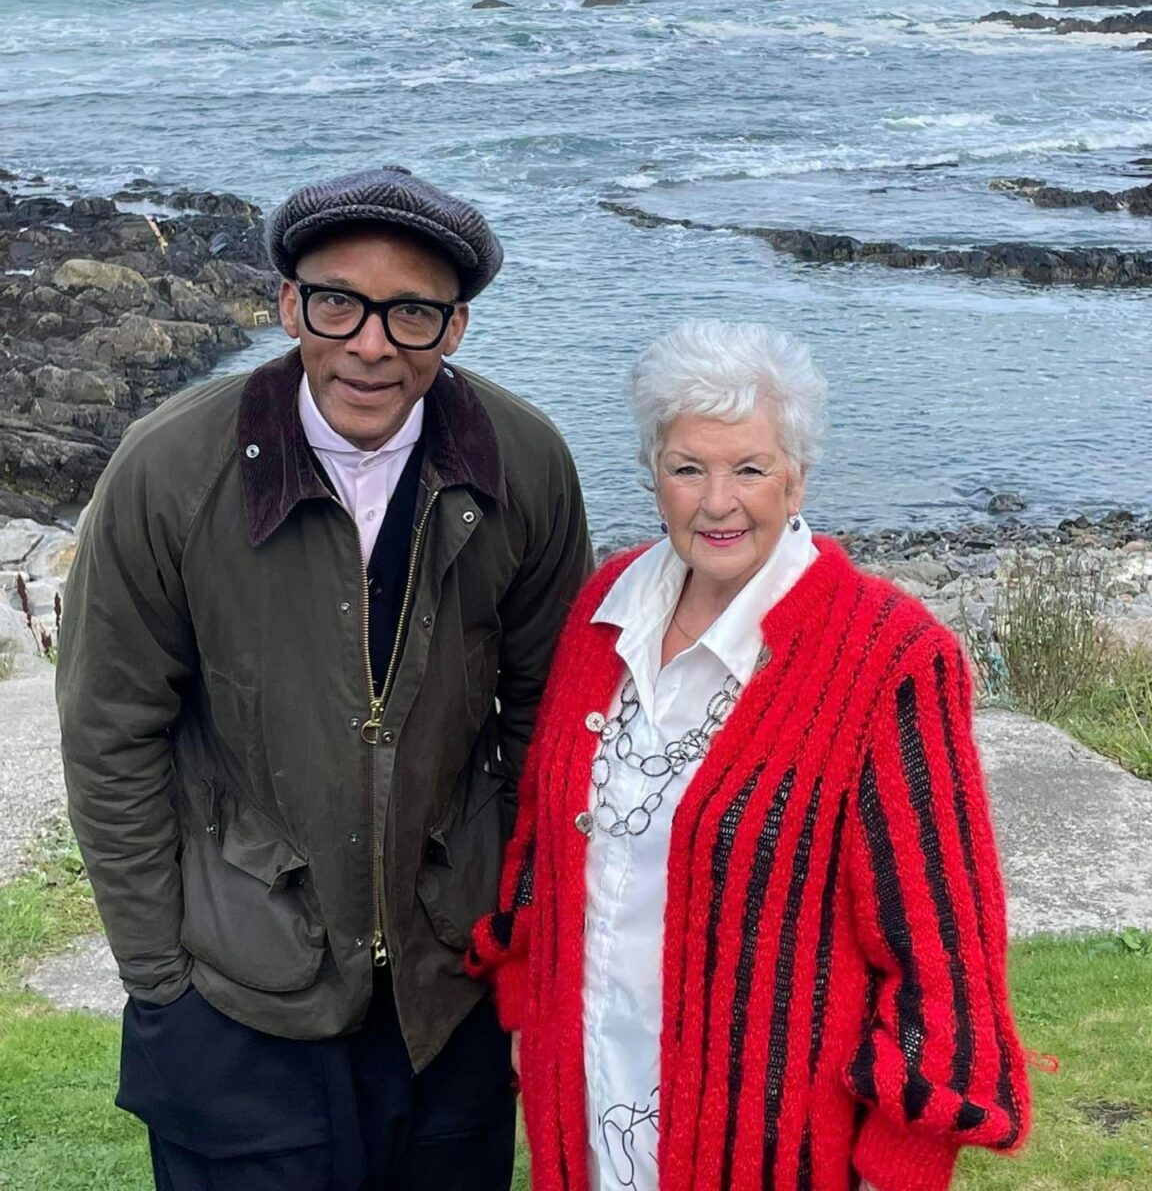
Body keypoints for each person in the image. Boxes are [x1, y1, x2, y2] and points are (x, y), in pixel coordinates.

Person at [56, 166, 592, 1191]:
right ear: (288, 303)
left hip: (452, 991)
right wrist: (161, 979)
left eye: (413, 313)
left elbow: (550, 713)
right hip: (235, 995)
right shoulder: (167, 471)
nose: (372, 342)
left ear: (457, 327)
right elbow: (108, 734)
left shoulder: (524, 464)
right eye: (339, 301)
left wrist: (507, 907)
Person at [469, 319, 1030, 1191]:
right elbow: (544, 838)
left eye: (750, 468)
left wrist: (902, 1157)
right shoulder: (600, 614)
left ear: (798, 475)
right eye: (688, 468)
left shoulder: (890, 658)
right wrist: (519, 1001)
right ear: (654, 475)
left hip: (772, 1147)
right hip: (588, 1105)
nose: (717, 501)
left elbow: (943, 949)